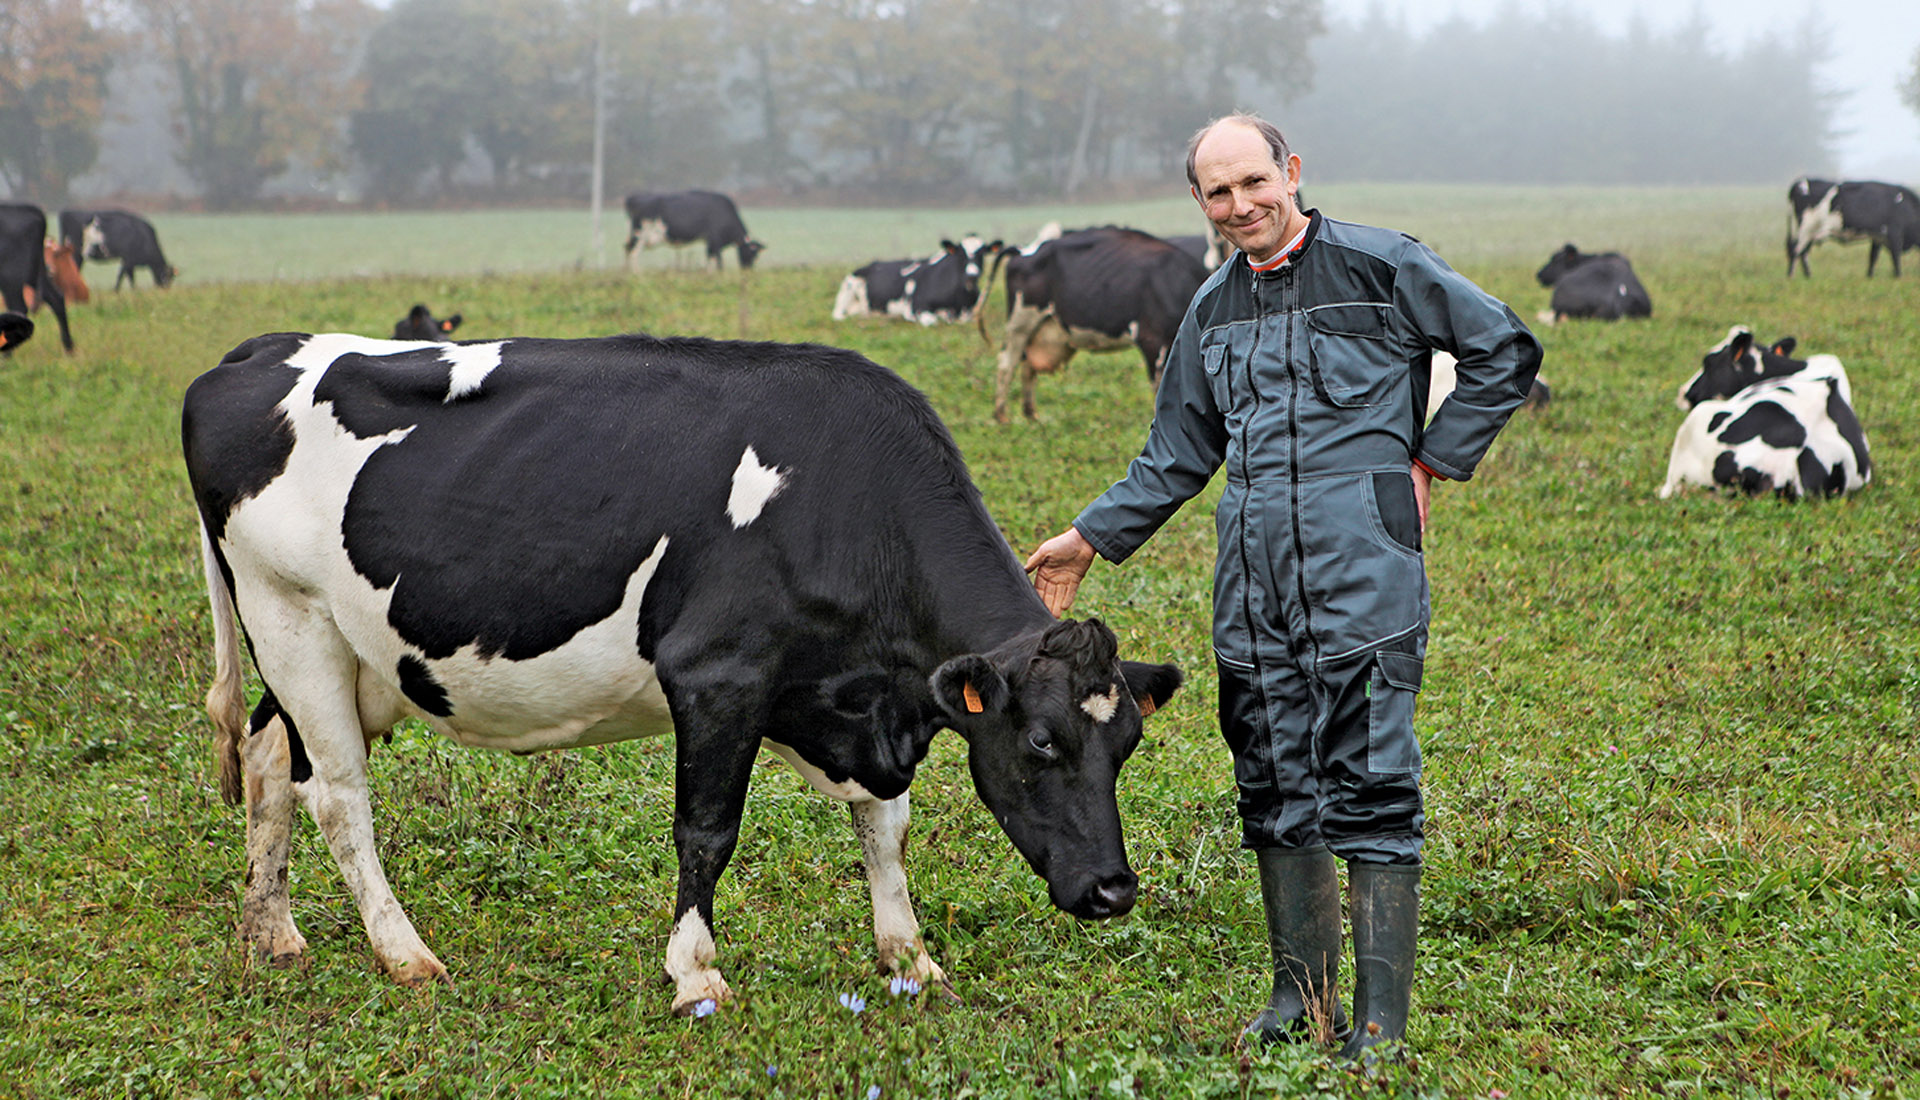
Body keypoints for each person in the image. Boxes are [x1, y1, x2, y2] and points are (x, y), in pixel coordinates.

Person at [1024, 112, 1542, 1060]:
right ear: (1199, 202)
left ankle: (1379, 1027)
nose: (1241, 206)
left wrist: (1431, 463)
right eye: (1218, 193)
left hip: (1365, 574)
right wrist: (1088, 538)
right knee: (1271, 783)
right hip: (1251, 589)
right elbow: (1178, 452)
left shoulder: (1384, 267)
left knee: (1373, 781)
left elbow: (1503, 349)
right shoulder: (1210, 310)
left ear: (1291, 171)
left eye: (1254, 182)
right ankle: (1298, 1002)